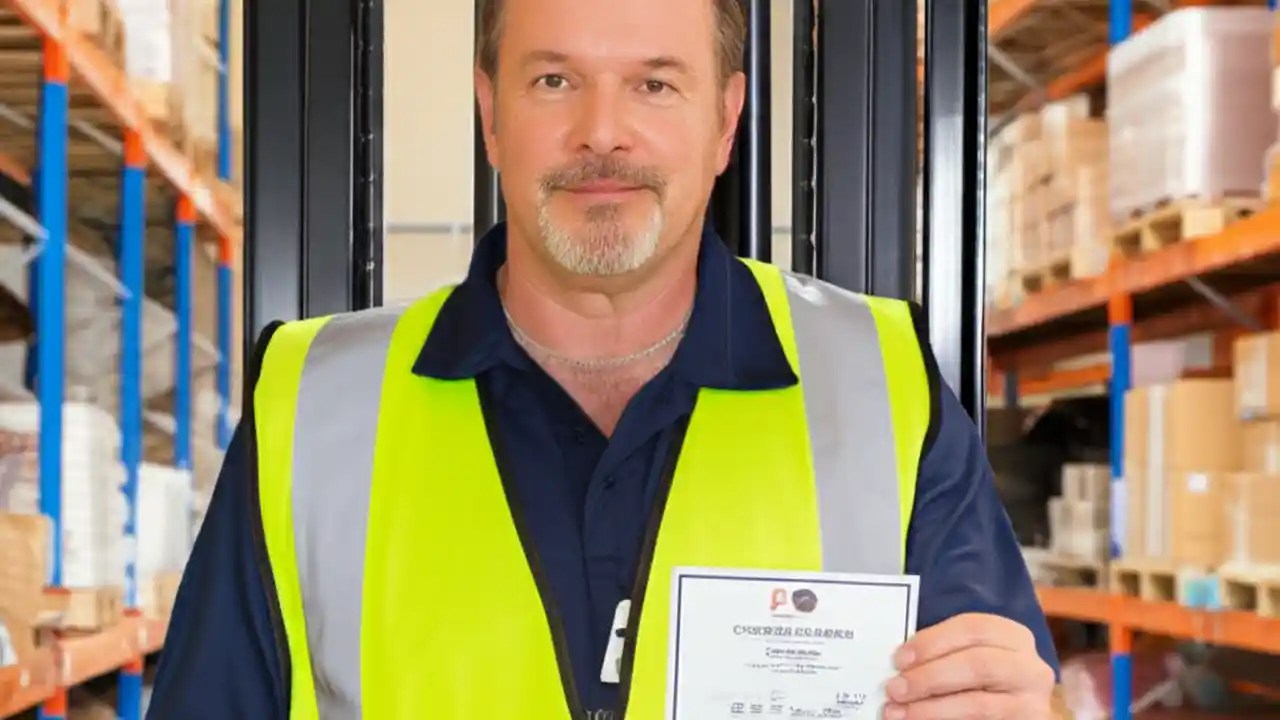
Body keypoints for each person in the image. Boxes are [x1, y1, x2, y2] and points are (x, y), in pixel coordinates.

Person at [148, 0, 1063, 717]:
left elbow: (1015, 697)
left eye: (655, 85)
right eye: (553, 81)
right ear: (490, 114)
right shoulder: (315, 404)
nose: (602, 133)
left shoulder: (882, 388)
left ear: (726, 122)